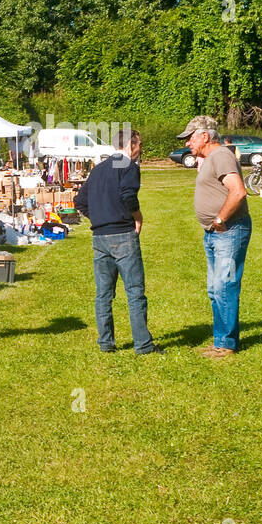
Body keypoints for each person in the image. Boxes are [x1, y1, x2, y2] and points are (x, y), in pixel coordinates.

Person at [75, 129, 161, 355]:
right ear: (132, 145)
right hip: (122, 235)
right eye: (140, 144)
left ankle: (106, 343)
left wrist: (99, 218)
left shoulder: (98, 170)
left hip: (99, 237)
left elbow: (79, 201)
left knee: (103, 294)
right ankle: (143, 345)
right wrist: (137, 217)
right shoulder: (129, 167)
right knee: (134, 292)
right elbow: (128, 195)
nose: (141, 149)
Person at [182, 115, 250, 356]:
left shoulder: (221, 156)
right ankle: (221, 340)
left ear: (205, 136)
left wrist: (220, 219)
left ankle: (227, 344)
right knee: (215, 288)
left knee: (225, 286)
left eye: (190, 138)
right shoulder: (213, 157)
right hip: (215, 234)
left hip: (229, 232)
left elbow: (238, 191)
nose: (188, 143)